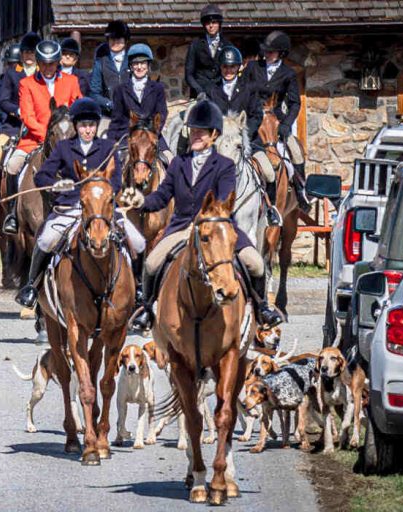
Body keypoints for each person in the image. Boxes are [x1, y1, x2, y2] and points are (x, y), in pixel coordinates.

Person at [123, 100, 283, 331]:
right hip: (181, 228)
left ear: (213, 134)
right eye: (194, 130)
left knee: (256, 264)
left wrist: (204, 222)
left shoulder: (225, 165)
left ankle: (262, 309)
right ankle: (147, 310)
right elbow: (161, 197)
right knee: (150, 264)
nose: (197, 135)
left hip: (217, 229)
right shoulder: (178, 163)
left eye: (202, 131)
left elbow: (223, 200)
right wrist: (141, 201)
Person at [15, 97, 145, 308]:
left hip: (102, 209)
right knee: (46, 239)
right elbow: (42, 176)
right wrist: (57, 184)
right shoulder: (64, 147)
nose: (88, 130)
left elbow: (117, 180)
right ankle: (31, 286)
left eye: (92, 125)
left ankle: (139, 288)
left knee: (137, 241)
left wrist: (104, 190)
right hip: (71, 207)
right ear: (76, 126)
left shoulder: (107, 147)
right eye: (83, 125)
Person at [1, 40, 82, 235]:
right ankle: (12, 213)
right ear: (37, 63)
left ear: (58, 63)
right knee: (11, 166)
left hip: (67, 140)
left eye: (52, 63)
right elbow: (27, 116)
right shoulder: (26, 84)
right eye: (44, 63)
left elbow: (78, 108)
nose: (48, 68)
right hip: (34, 139)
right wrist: (47, 136)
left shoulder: (71, 82)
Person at [206, 45, 281, 226]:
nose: (229, 70)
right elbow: (208, 116)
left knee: (269, 172)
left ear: (239, 67)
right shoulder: (212, 90)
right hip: (219, 143)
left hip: (246, 140)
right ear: (221, 68)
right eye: (225, 67)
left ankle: (271, 209)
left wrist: (244, 132)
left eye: (232, 67)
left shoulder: (249, 89)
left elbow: (256, 115)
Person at [243, 30, 310, 212]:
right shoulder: (253, 68)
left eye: (271, 51)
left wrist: (287, 124)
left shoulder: (288, 74)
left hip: (277, 122)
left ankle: (301, 190)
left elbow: (295, 103)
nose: (267, 54)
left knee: (296, 152)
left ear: (281, 53)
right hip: (253, 121)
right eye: (266, 51)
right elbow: (242, 92)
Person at [106, 43, 173, 164]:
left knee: (170, 161)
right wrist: (110, 142)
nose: (139, 67)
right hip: (127, 136)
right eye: (136, 63)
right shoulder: (120, 89)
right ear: (131, 66)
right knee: (112, 164)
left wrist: (151, 132)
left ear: (148, 66)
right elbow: (117, 118)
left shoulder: (158, 88)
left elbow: (161, 114)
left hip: (152, 134)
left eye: (143, 63)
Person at [0, 31, 40, 158]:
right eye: (26, 52)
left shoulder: (43, 73)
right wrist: (17, 110)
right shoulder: (12, 73)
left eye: (32, 53)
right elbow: (3, 101)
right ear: (21, 54)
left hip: (39, 124)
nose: (29, 56)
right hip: (14, 125)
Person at [89, 20, 131, 135]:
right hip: (108, 117)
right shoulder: (100, 61)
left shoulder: (133, 60)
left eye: (119, 39)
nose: (115, 42)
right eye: (112, 39)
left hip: (133, 116)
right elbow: (94, 93)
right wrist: (109, 104)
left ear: (126, 40)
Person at [185, 4, 231, 99]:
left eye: (214, 22)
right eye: (207, 23)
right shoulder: (195, 44)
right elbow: (188, 74)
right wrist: (199, 90)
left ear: (219, 24)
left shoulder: (227, 46)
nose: (211, 26)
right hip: (199, 94)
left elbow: (230, 73)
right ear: (204, 25)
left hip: (219, 94)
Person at [0, 44, 21, 175]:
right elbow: (1, 103)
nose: (12, 67)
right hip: (9, 124)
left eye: (15, 64)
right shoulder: (5, 78)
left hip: (28, 126)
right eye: (10, 64)